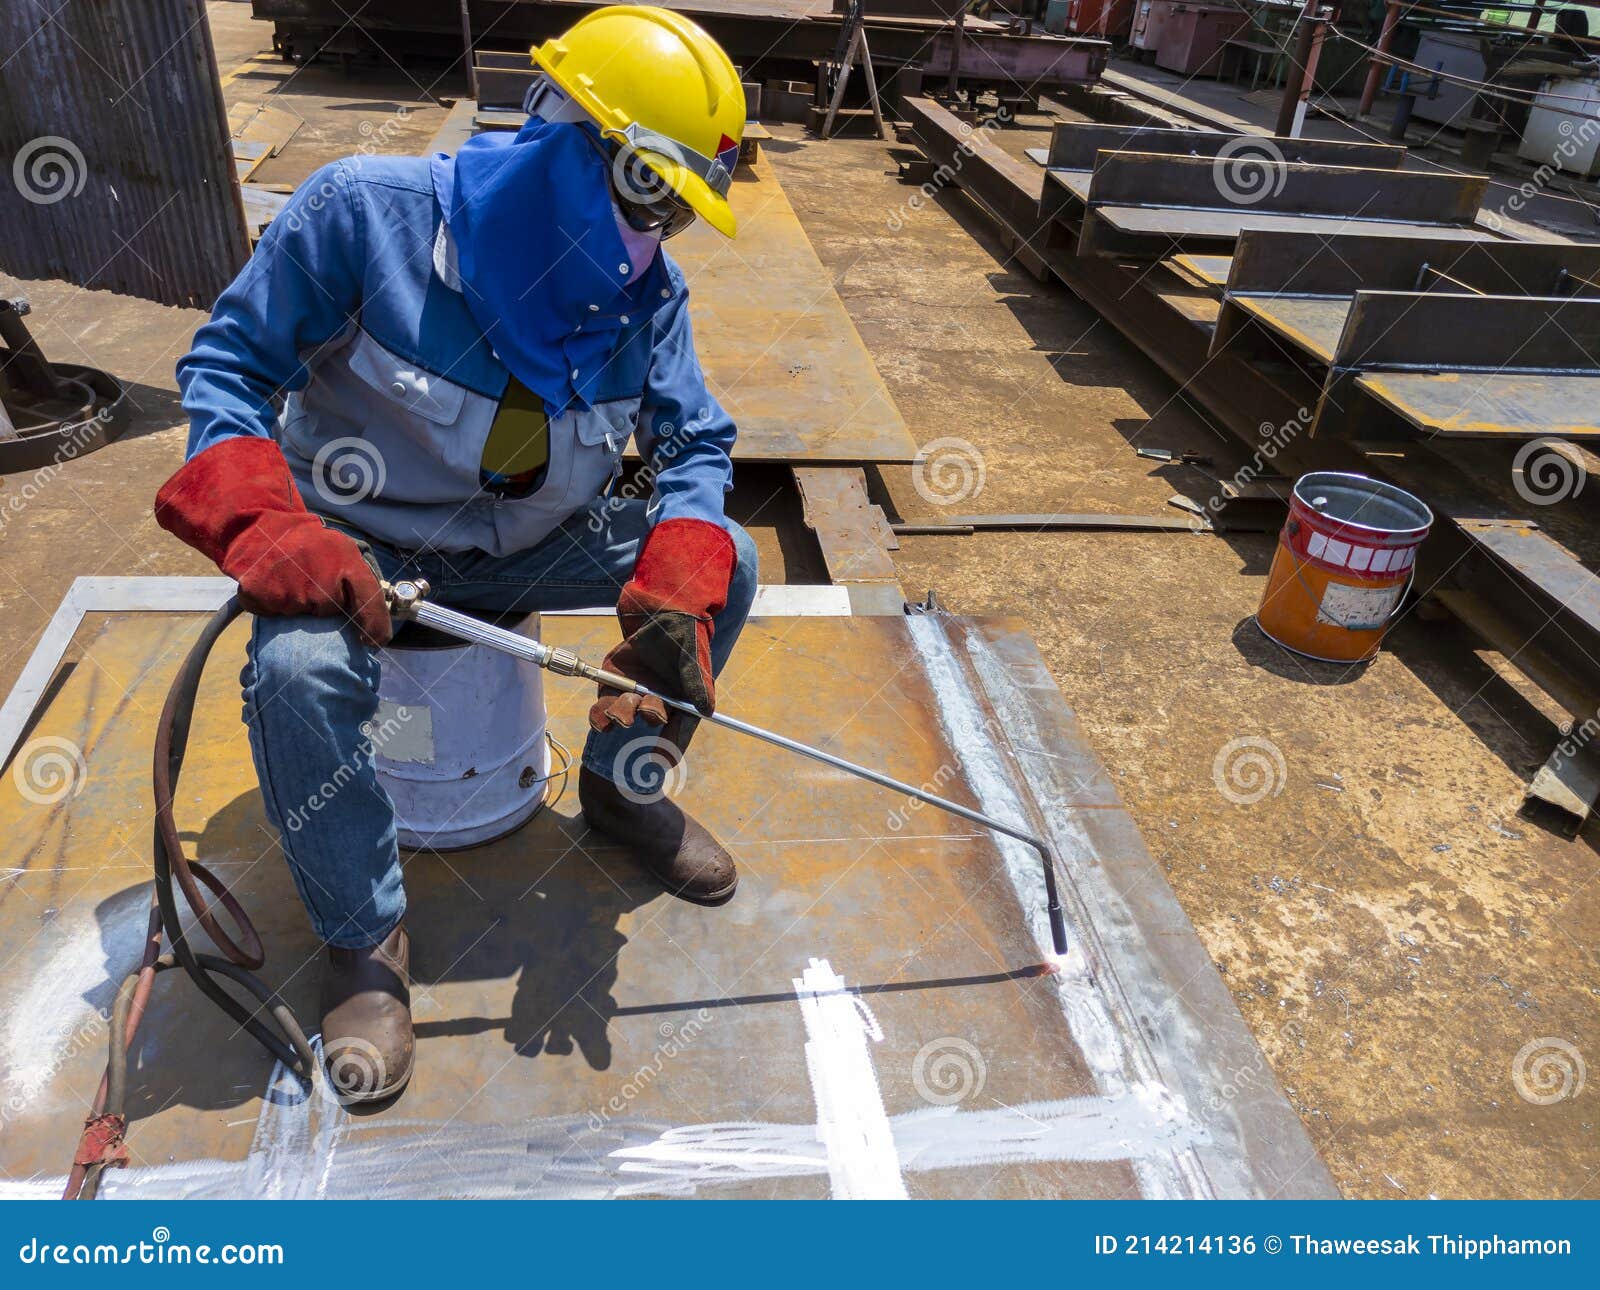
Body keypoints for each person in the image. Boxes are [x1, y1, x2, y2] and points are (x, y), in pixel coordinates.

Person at [152, 6, 756, 1102]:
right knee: (294, 673)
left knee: (730, 566)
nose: (651, 236)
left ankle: (622, 791)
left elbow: (694, 444)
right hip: (361, 554)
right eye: (645, 193)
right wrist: (270, 527)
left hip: (530, 546)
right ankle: (363, 937)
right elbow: (227, 369)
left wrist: (678, 572)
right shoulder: (362, 216)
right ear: (566, 140)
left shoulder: (646, 298)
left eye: (674, 211)